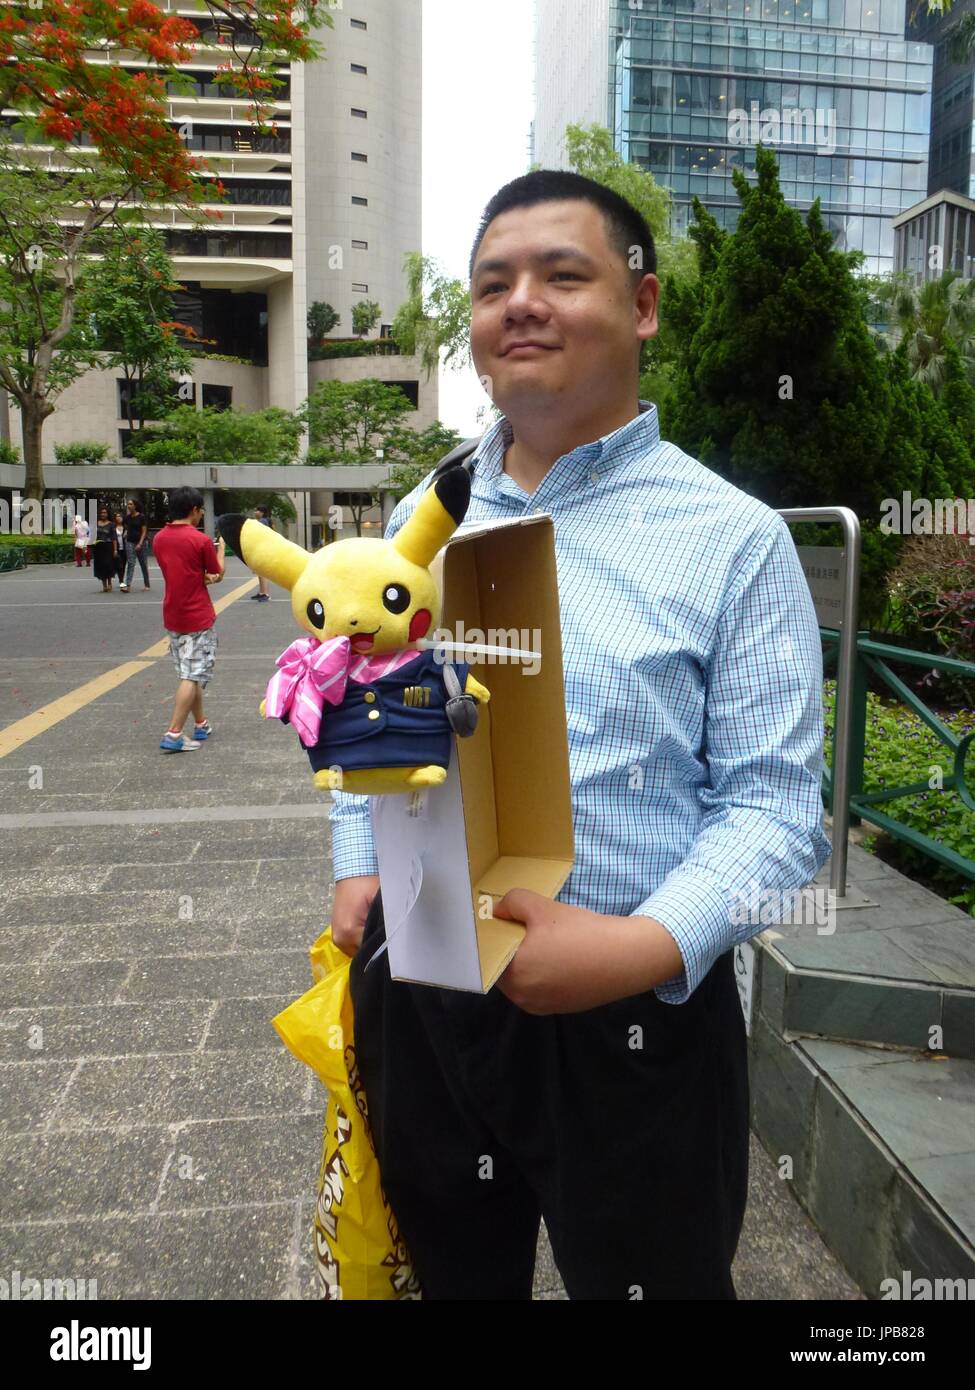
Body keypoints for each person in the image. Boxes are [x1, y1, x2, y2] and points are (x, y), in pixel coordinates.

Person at [330, 171, 832, 1300]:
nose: (521, 303)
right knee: (451, 1277)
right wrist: (356, 864)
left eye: (564, 274)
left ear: (643, 306)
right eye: (494, 282)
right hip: (432, 982)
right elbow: (363, 687)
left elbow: (774, 810)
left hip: (635, 1019)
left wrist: (637, 948)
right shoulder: (434, 512)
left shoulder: (733, 539)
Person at [152, 485, 224, 752]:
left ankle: (201, 724)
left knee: (187, 672)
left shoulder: (159, 539)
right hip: (198, 616)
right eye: (200, 510)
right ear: (194, 510)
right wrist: (219, 550)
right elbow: (217, 574)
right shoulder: (201, 540)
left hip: (173, 614)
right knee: (192, 676)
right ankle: (174, 733)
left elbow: (182, 572)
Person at [120, 498, 150, 592]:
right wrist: (126, 532)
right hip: (129, 542)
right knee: (131, 563)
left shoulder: (141, 517)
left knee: (143, 564)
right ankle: (128, 585)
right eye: (128, 504)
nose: (128, 506)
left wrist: (140, 543)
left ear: (135, 506)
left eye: (130, 504)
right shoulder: (127, 517)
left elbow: (144, 531)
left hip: (141, 542)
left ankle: (147, 584)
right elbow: (126, 527)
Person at [249, 505, 272, 601]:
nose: (255, 512)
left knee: (262, 572)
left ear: (262, 513)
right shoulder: (265, 521)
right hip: (263, 548)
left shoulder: (262, 521)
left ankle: (265, 593)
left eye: (257, 511)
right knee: (259, 571)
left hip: (262, 549)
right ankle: (262, 592)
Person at [92, 507, 115, 593]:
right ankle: (104, 585)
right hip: (98, 548)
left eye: (105, 512)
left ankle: (109, 582)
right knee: (100, 566)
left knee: (108, 565)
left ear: (108, 514)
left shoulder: (111, 524)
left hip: (108, 547)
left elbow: (114, 538)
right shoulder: (96, 524)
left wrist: (115, 550)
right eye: (101, 512)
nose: (103, 514)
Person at [112, 512, 126, 588]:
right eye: (117, 516)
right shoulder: (113, 527)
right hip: (116, 549)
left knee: (123, 565)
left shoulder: (126, 527)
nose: (118, 517)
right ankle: (121, 581)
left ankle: (121, 579)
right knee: (119, 565)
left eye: (120, 516)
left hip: (125, 549)